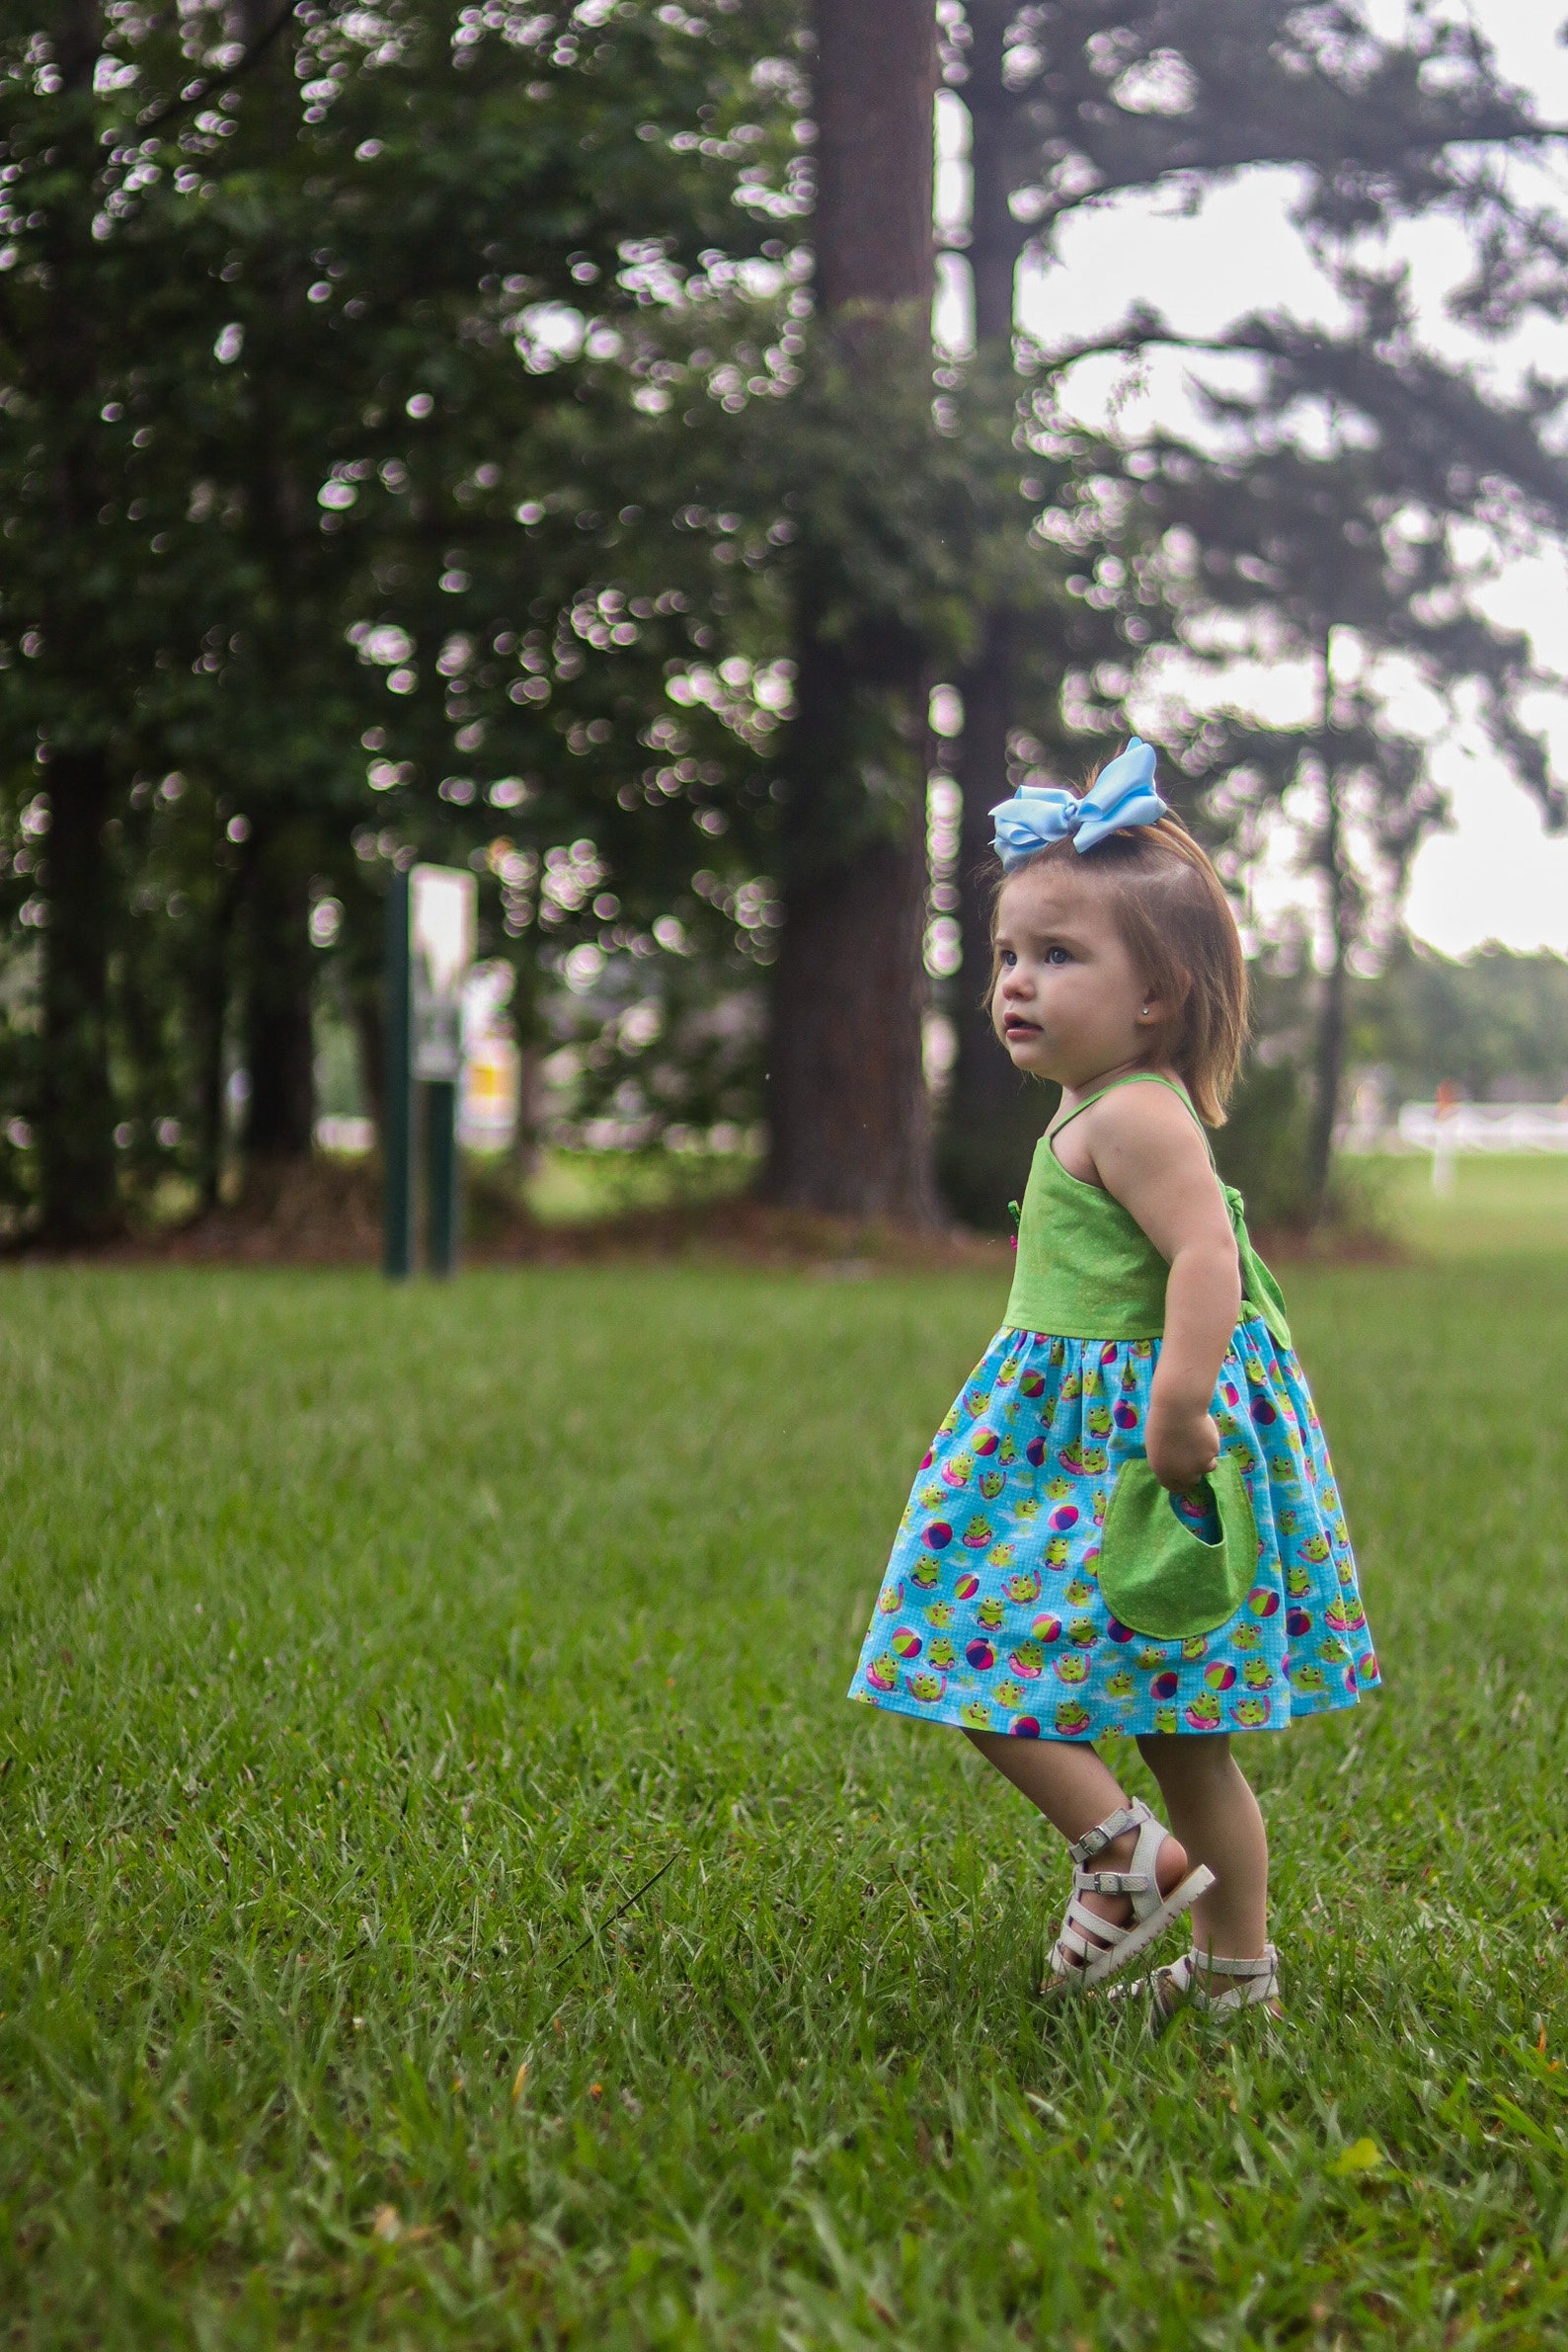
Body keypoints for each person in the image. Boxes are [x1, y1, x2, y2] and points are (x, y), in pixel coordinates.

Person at [847, 740, 1379, 2015]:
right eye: (1007, 957)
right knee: (1184, 1732)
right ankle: (1232, 1971)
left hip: (1134, 1443)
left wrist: (1182, 1399)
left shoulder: (1134, 1114)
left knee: (977, 1658)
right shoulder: (1097, 1102)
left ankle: (1127, 1858)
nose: (1019, 983)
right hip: (1091, 1440)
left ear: (1159, 995)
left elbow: (1209, 1254)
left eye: (1059, 956)